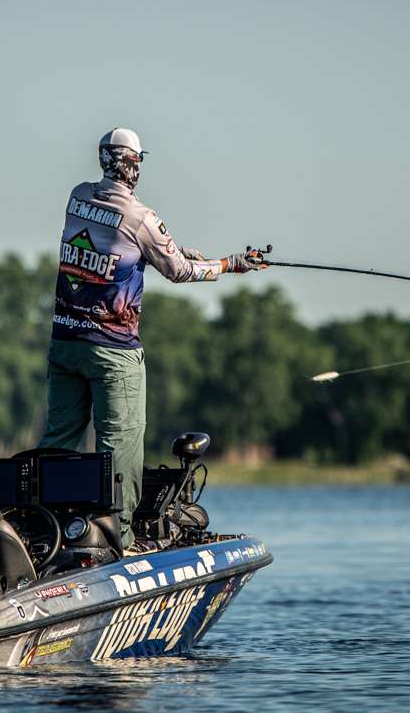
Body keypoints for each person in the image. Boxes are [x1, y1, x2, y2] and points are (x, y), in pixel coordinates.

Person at [39, 127, 267, 548]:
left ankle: (40, 528)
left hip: (66, 342)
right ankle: (118, 540)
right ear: (133, 164)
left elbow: (130, 250)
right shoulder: (142, 217)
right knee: (119, 447)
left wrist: (180, 252)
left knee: (59, 440)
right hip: (112, 351)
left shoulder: (78, 197)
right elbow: (177, 270)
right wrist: (230, 265)